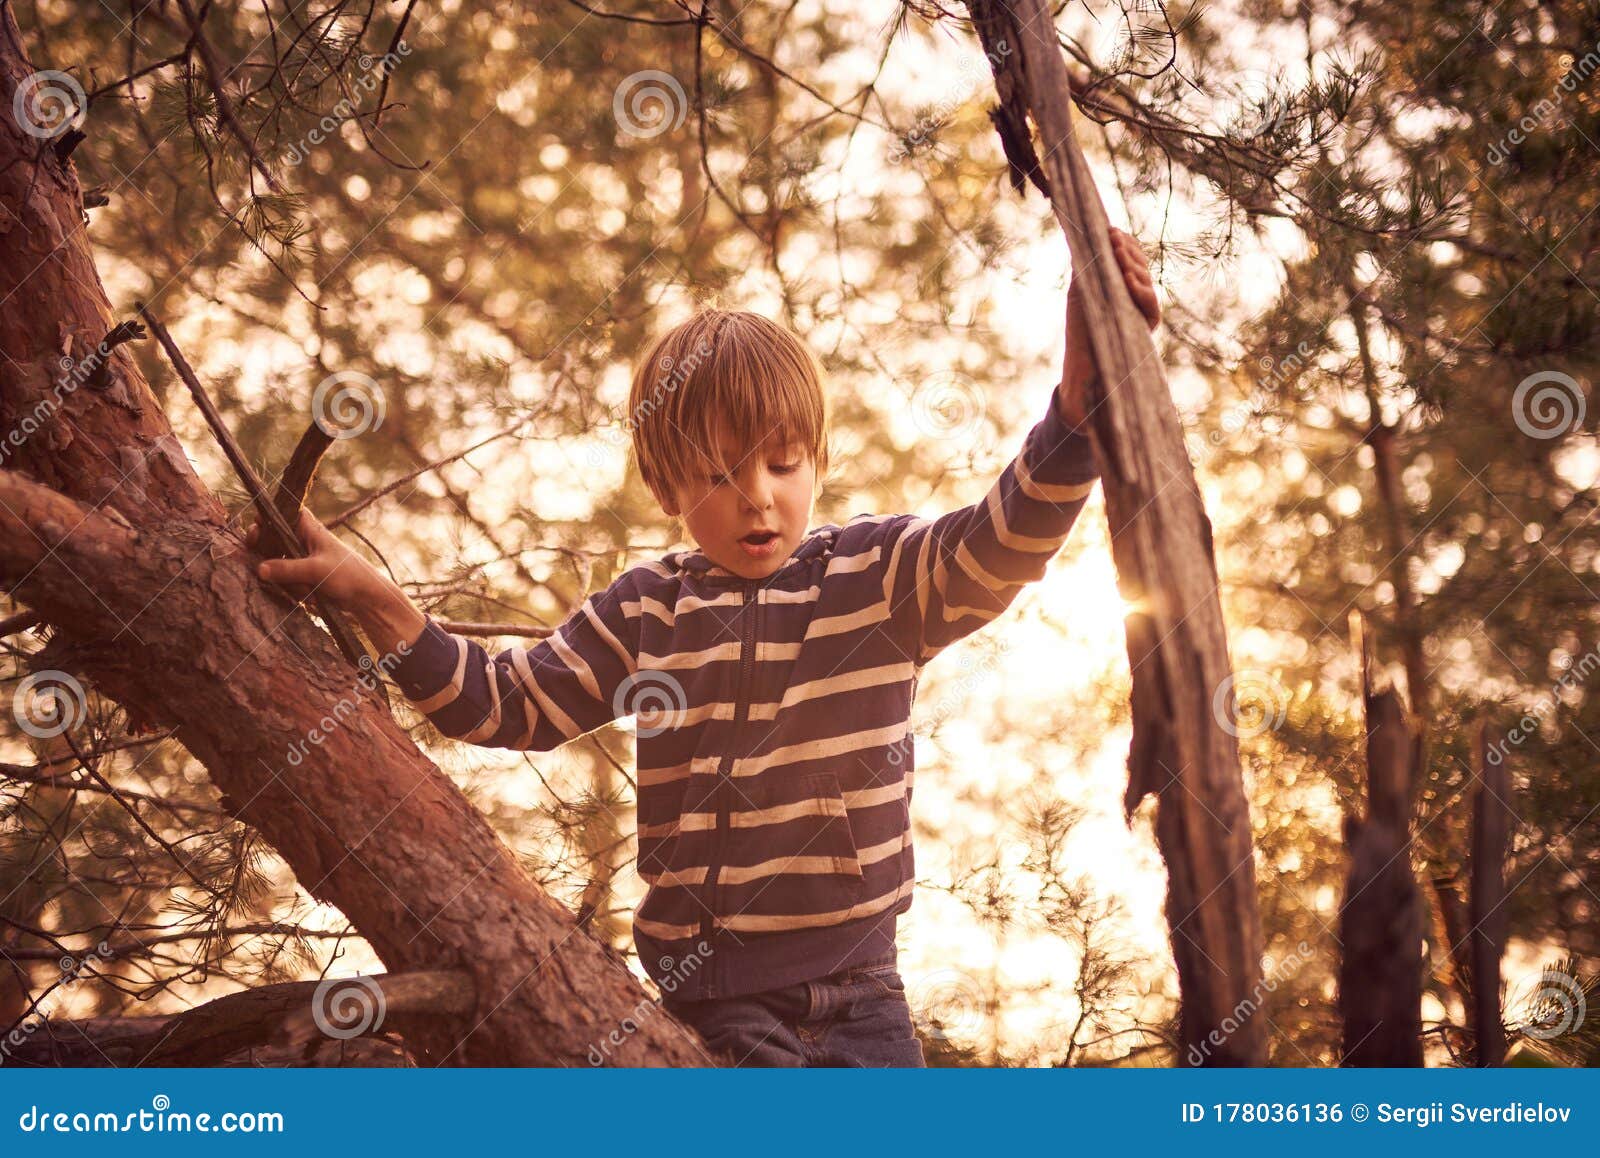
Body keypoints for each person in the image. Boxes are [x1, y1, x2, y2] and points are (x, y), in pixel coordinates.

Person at [250, 228, 1160, 1067]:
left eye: (781, 462)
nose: (757, 497)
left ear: (818, 459)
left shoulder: (875, 578)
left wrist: (1077, 410)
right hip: (713, 1007)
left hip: (865, 1001)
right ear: (664, 485)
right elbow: (503, 702)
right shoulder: (648, 613)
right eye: (718, 474)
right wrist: (370, 594)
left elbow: (997, 543)